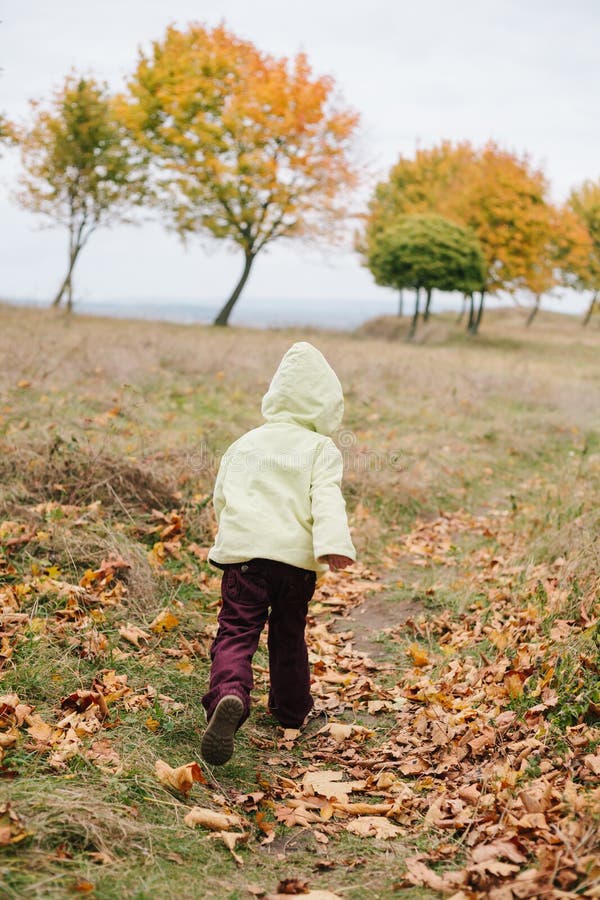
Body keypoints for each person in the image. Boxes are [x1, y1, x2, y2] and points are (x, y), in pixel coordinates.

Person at [200, 341, 356, 765]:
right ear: (326, 405)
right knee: (289, 636)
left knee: (236, 630)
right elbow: (326, 499)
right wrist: (334, 547)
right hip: (294, 565)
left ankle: (228, 695)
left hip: (246, 559)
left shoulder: (246, 442)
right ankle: (290, 711)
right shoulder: (320, 448)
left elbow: (223, 496)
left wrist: (229, 537)